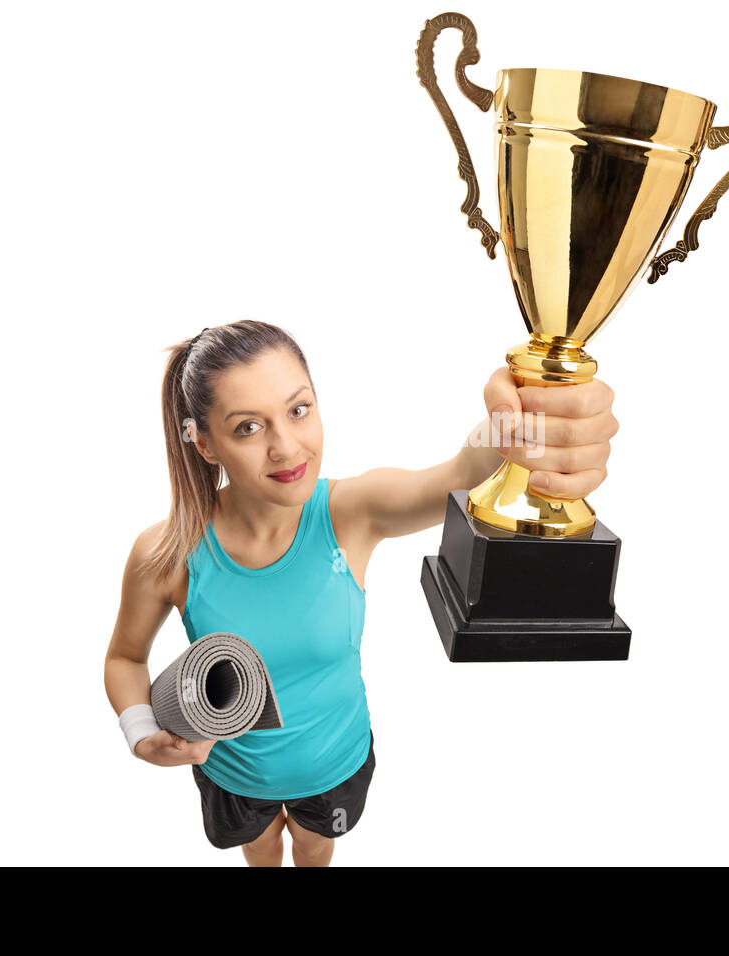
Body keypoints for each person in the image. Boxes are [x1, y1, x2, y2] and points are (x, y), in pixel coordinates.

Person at [103, 319, 618, 866]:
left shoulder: (351, 514)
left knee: (314, 845)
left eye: (298, 410)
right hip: (231, 774)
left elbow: (465, 469)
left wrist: (529, 410)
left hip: (336, 763)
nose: (285, 447)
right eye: (249, 428)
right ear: (203, 443)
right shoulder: (166, 552)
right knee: (258, 847)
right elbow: (125, 657)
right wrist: (140, 732)